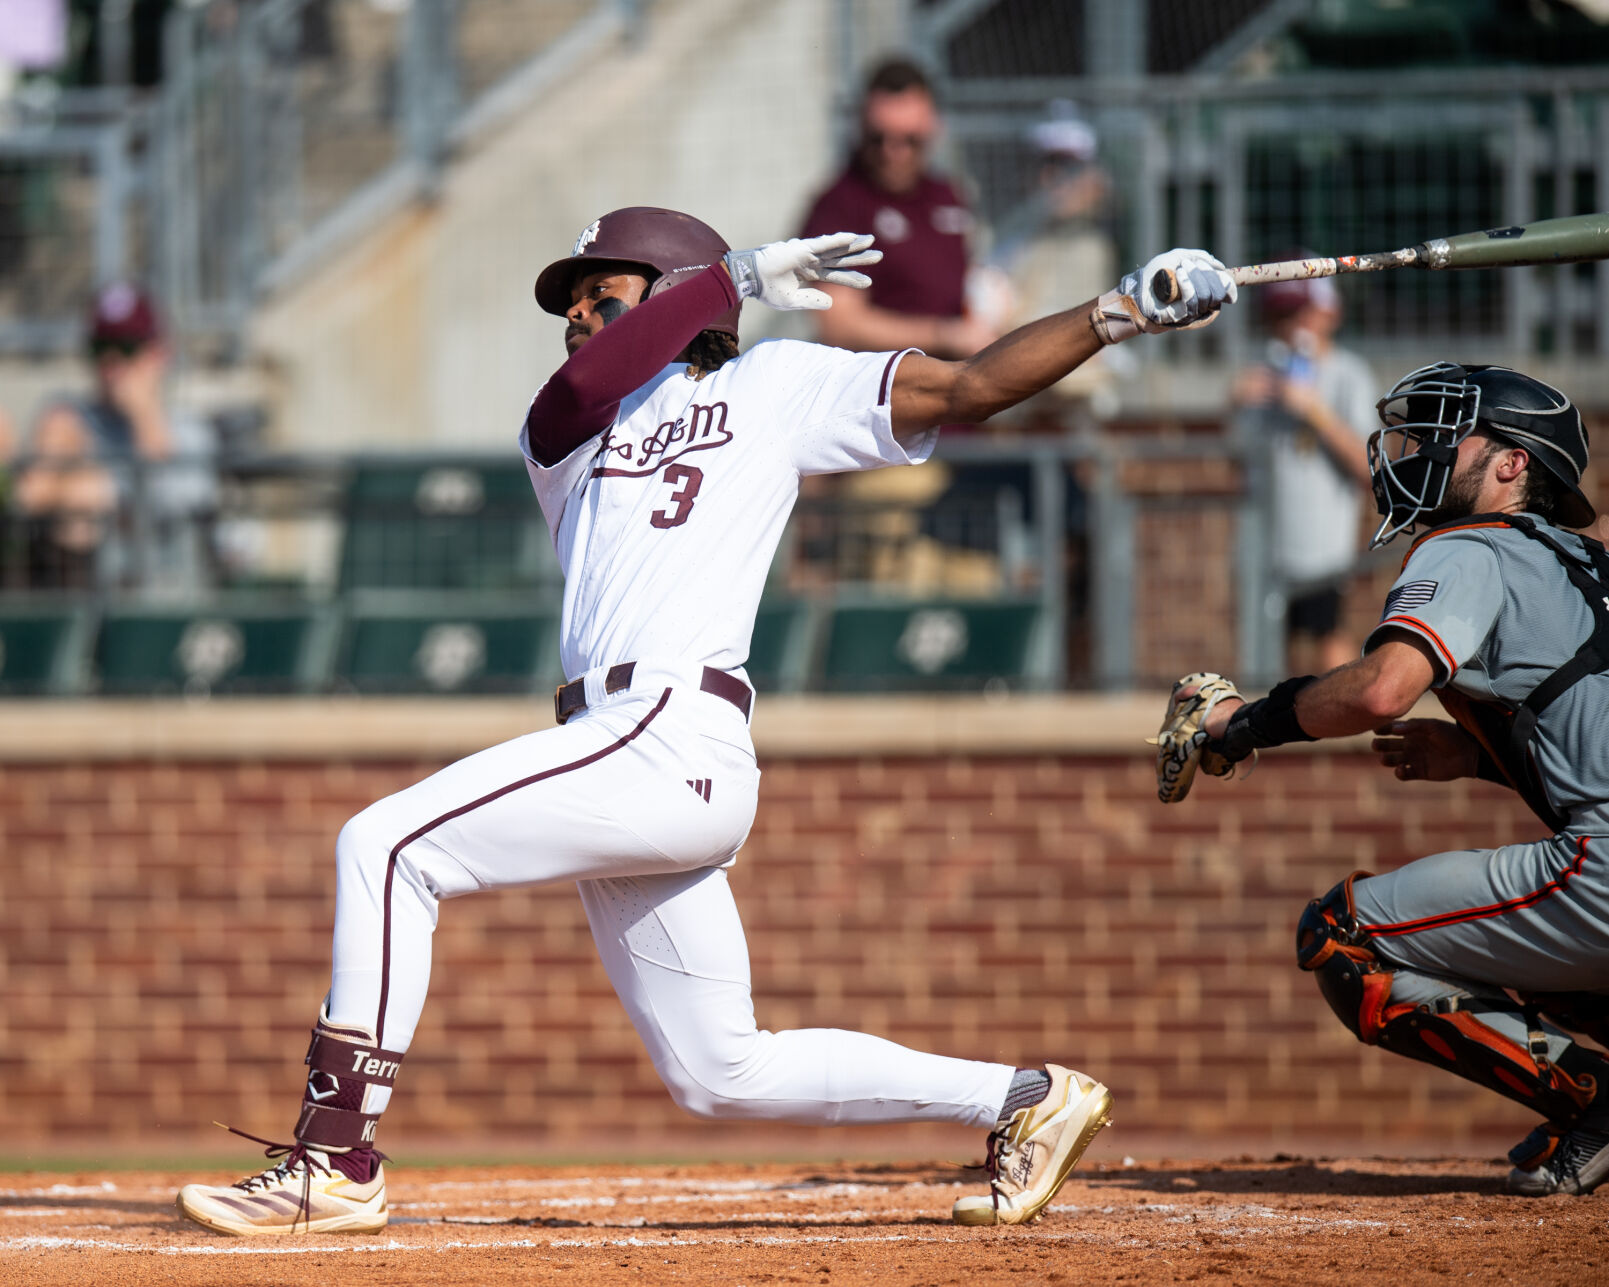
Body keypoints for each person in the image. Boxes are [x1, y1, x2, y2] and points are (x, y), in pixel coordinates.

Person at [173, 206, 1236, 1235]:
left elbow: (969, 386)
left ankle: (334, 1160)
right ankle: (1025, 1098)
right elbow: (583, 382)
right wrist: (736, 278)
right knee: (718, 1071)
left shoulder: (771, 385)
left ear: (675, 290)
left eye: (601, 289)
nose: (576, 313)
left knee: (386, 845)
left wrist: (1115, 312)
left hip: (670, 726)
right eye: (571, 300)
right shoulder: (569, 428)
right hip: (617, 744)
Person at [1172, 361, 1609, 1196]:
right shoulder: (1588, 564)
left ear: (1512, 464)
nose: (1419, 451)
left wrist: (1241, 723)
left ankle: (1595, 1099)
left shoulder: (1470, 545)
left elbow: (1381, 689)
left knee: (1341, 931)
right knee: (1505, 943)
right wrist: (1476, 757)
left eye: (1453, 435)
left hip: (1601, 875)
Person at [14, 283, 216, 592]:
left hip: (166, 595)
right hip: (84, 590)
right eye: (100, 349)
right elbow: (28, 499)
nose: (112, 367)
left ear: (160, 354)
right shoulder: (69, 416)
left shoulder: (190, 430)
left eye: (127, 349)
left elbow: (180, 510)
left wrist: (143, 416)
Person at [798, 57, 1000, 360]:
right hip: (882, 378)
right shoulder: (839, 205)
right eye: (878, 138)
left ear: (934, 127)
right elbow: (839, 324)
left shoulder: (948, 195)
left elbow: (966, 283)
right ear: (861, 127)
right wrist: (944, 335)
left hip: (953, 371)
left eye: (910, 140)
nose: (893, 152)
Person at [1230, 271, 1376, 673]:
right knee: (1276, 647)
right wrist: (1234, 402)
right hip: (1267, 544)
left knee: (1326, 632)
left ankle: (1343, 712)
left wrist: (1314, 411)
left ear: (1329, 313)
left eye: (1300, 313)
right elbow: (1237, 458)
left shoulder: (1348, 374)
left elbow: (1369, 468)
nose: (1290, 327)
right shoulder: (1264, 373)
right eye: (1279, 316)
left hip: (1321, 546)